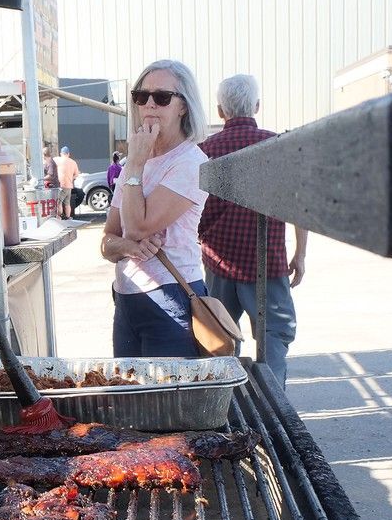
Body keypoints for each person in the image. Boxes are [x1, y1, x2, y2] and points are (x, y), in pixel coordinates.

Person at [198, 74, 307, 387]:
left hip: (219, 264)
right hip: (268, 262)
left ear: (220, 111)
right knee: (274, 335)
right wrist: (300, 254)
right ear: (257, 106)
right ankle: (274, 401)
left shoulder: (204, 151)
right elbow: (298, 203)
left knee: (220, 339)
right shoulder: (277, 147)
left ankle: (225, 403)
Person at [101, 59, 209, 356]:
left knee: (170, 387)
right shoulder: (135, 161)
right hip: (127, 296)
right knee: (128, 386)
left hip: (171, 296)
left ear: (183, 106)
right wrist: (128, 247)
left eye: (161, 97)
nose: (149, 104)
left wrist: (136, 163)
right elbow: (107, 241)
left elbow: (138, 226)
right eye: (141, 96)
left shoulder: (190, 162)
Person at [56, 145, 80, 219]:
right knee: (67, 203)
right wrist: (71, 178)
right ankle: (68, 217)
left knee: (59, 202)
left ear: (61, 153)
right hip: (69, 186)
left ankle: (59, 216)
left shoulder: (58, 160)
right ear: (68, 154)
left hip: (61, 185)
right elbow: (77, 174)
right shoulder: (73, 162)